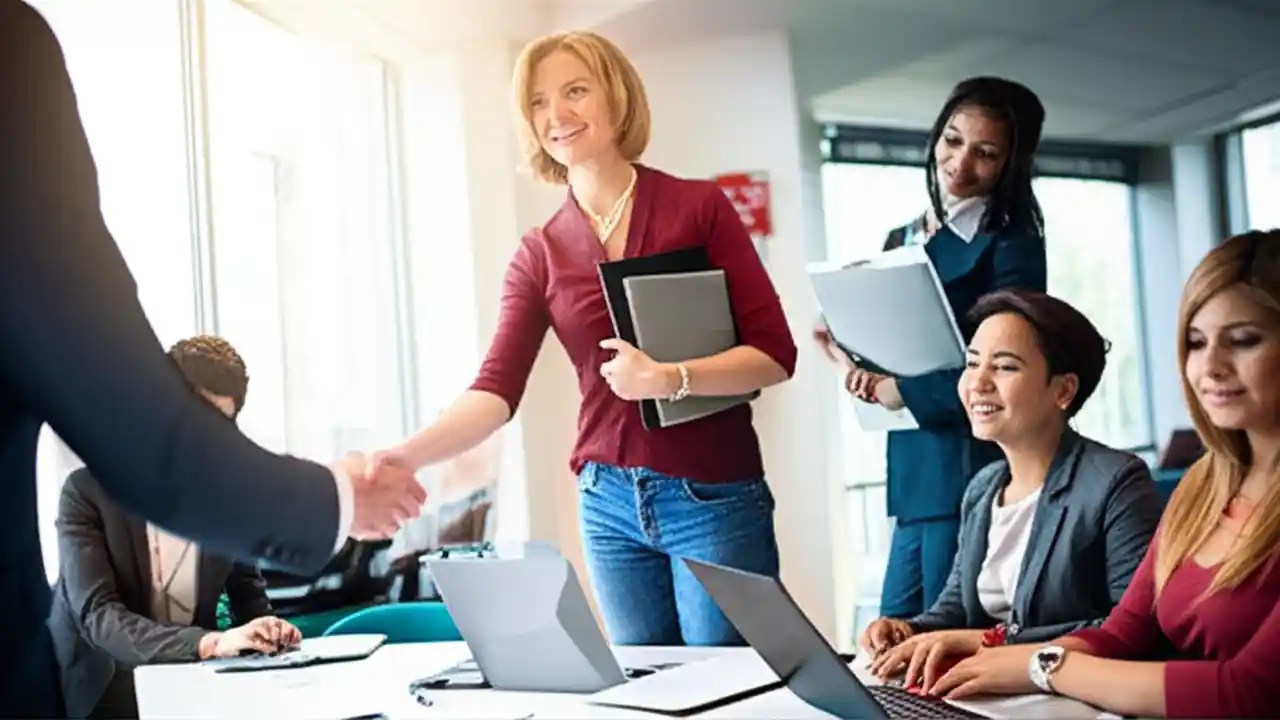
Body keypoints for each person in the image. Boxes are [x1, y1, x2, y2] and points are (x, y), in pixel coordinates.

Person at [0, 4, 425, 715]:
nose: (209, 428)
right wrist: (338, 498)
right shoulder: (10, 50)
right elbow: (135, 439)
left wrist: (263, 631)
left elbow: (247, 596)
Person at [370, 30, 796, 646]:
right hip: (607, 503)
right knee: (649, 686)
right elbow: (494, 390)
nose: (556, 114)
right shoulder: (540, 251)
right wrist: (407, 455)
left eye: (574, 91)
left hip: (713, 494)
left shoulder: (698, 208)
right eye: (538, 102)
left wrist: (669, 379)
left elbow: (775, 354)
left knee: (730, 684)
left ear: (615, 95)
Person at [928, 230, 1280, 719]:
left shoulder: (1113, 479)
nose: (1211, 366)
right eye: (1196, 342)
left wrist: (1039, 665)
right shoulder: (1204, 484)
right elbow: (1124, 631)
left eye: (1243, 341)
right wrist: (991, 660)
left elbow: (1250, 693)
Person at [816, 76, 1048, 618]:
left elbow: (1007, 364)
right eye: (952, 140)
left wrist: (904, 390)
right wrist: (849, 349)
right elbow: (894, 339)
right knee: (893, 627)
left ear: (1011, 164)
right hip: (912, 461)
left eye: (985, 152)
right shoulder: (904, 237)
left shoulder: (1012, 244)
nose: (960, 163)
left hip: (965, 458)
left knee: (942, 632)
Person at [859, 289, 1161, 692]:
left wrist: (991, 640)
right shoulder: (983, 488)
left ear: (1063, 391)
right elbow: (955, 608)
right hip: (991, 695)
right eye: (971, 364)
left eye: (1004, 367)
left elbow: (1135, 631)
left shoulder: (1115, 482)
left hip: (1071, 699)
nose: (978, 383)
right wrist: (909, 630)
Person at [49, 336, 306, 718]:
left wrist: (268, 629)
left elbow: (247, 595)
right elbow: (100, 617)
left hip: (191, 678)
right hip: (102, 686)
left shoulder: (228, 497)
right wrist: (210, 643)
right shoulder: (86, 492)